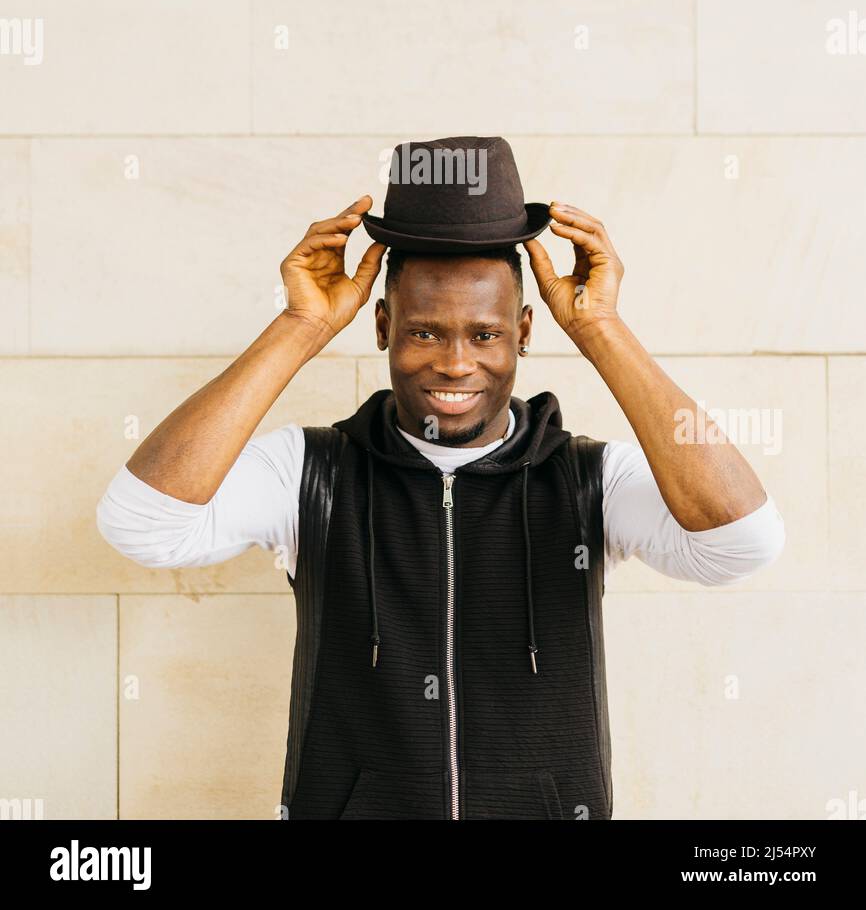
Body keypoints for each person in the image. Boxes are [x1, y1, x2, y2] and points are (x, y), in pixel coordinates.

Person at [97, 136, 785, 820]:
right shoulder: (311, 474)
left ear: (522, 331)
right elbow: (140, 523)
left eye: (484, 334)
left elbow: (742, 541)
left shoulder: (586, 480)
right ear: (381, 328)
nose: (456, 364)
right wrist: (301, 324)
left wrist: (601, 328)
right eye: (425, 333)